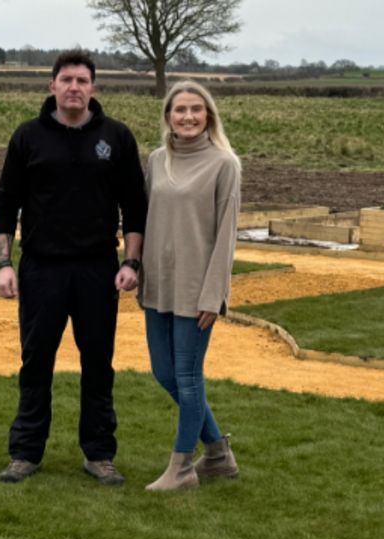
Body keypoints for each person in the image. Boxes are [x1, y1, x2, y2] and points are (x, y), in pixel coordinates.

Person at [0, 50, 148, 485]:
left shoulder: (116, 138)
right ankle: (25, 453)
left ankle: (98, 454)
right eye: (66, 80)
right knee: (36, 361)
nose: (74, 87)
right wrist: (5, 263)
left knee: (98, 362)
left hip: (98, 269)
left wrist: (131, 261)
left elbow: (135, 206)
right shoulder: (28, 137)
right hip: (41, 268)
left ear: (93, 88)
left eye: (82, 80)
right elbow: (6, 202)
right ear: (52, 87)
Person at [139, 80, 241, 491]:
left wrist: (215, 294)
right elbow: (146, 221)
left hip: (197, 289)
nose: (188, 116)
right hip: (158, 284)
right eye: (180, 109)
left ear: (209, 115)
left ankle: (181, 469)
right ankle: (217, 453)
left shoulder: (224, 164)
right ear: (168, 116)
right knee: (164, 374)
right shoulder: (156, 160)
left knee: (188, 375)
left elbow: (227, 234)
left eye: (196, 109)